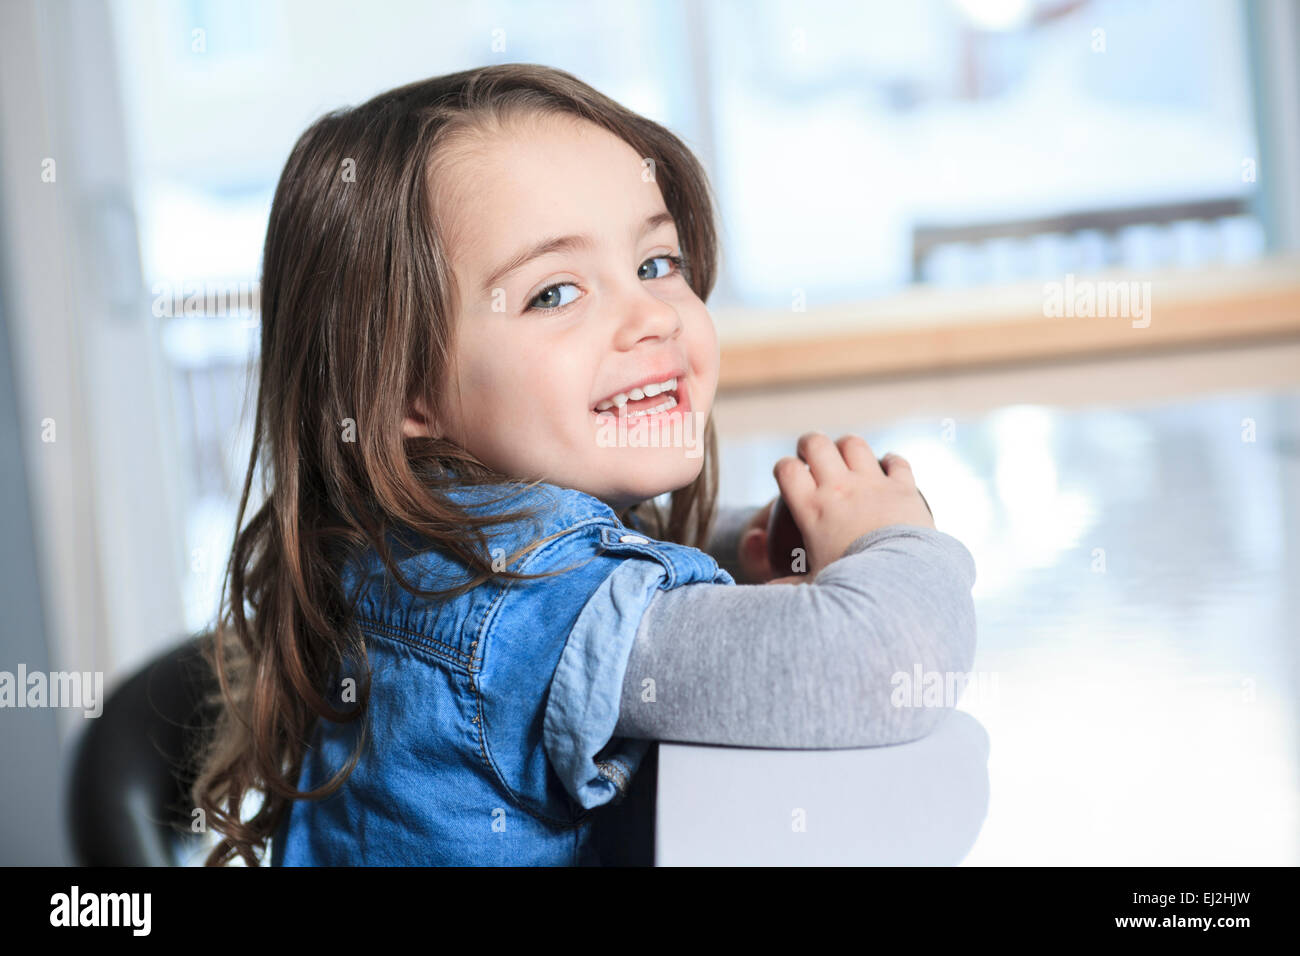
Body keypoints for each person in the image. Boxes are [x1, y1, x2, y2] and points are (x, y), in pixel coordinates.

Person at [190, 63, 978, 866]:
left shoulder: (417, 545)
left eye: (654, 264)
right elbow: (878, 666)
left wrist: (737, 548)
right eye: (555, 294)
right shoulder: (530, 601)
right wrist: (890, 538)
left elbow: (612, 559)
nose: (649, 316)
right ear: (403, 389)